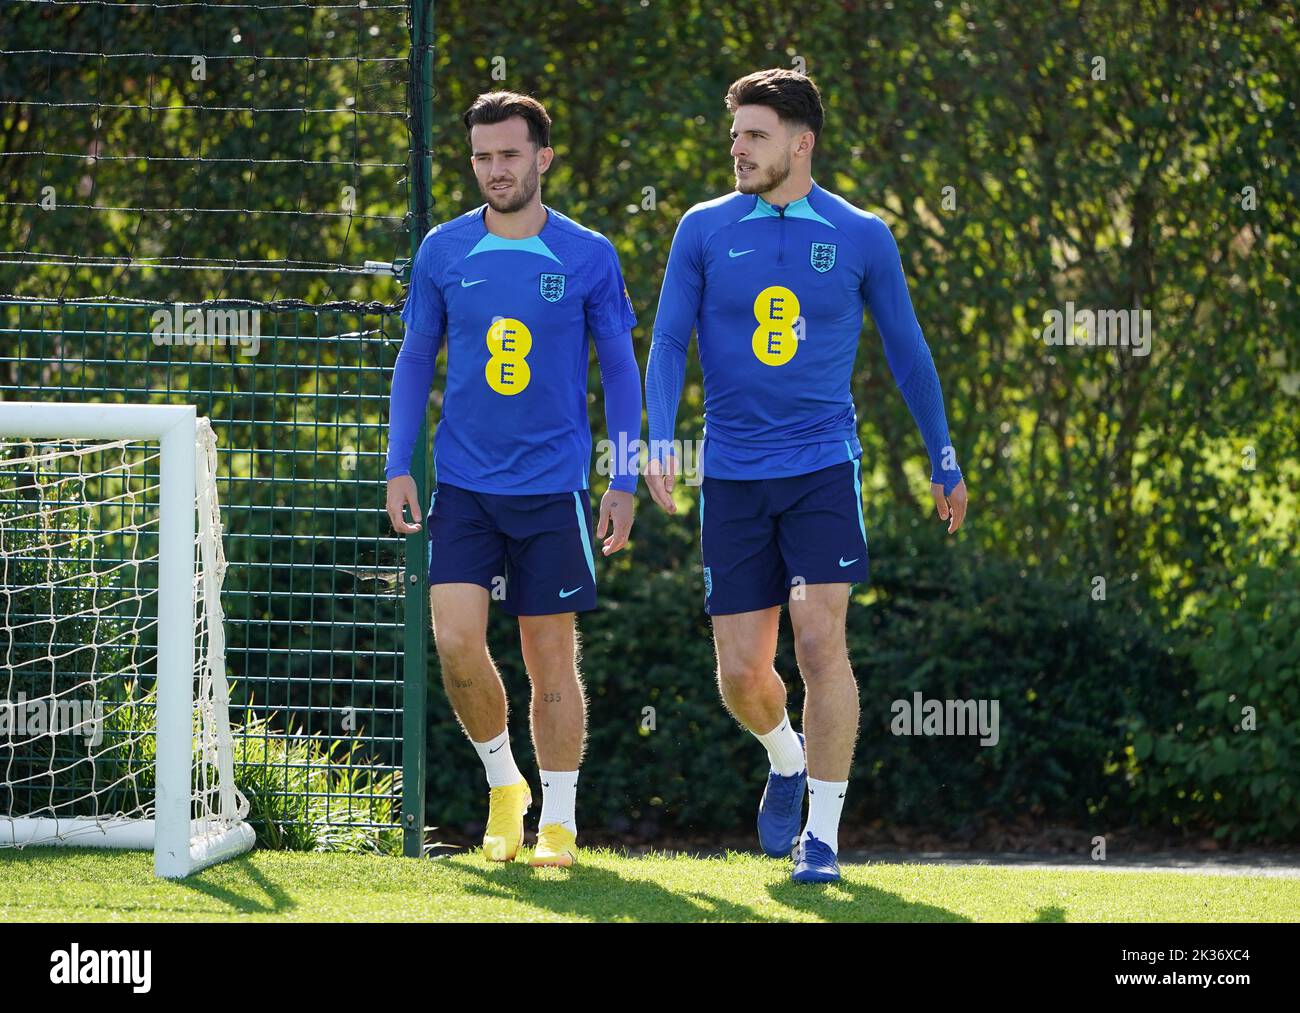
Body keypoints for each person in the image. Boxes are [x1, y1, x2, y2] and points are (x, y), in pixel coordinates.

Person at [644, 69, 968, 883]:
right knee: (743, 672)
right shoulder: (702, 229)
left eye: (754, 135)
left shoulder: (861, 234)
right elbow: (668, 340)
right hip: (735, 475)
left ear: (801, 141)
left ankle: (820, 838)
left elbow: (908, 349)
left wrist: (943, 454)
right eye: (735, 135)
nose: (738, 149)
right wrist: (655, 437)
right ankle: (783, 755)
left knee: (821, 641)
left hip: (824, 466)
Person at [385, 91, 642, 869]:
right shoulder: (442, 251)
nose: (495, 170)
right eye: (482, 157)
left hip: (553, 490)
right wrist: (400, 461)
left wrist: (622, 474)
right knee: (457, 642)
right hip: (463, 486)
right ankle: (505, 788)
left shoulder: (589, 253)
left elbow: (622, 371)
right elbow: (414, 359)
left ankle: (559, 817)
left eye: (509, 154)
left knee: (548, 658)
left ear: (542, 159)